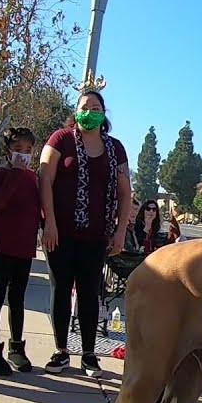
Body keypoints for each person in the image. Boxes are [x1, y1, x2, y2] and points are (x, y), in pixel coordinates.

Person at [38, 88, 131, 377]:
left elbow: (126, 193)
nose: (88, 112)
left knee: (91, 293)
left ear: (103, 114)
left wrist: (119, 232)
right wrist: (49, 222)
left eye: (94, 107)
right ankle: (61, 350)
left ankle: (89, 354)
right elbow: (44, 179)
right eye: (83, 107)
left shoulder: (115, 148)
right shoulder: (60, 139)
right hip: (60, 232)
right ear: (75, 112)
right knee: (61, 289)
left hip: (96, 236)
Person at [0, 126, 42, 375]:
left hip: (24, 249)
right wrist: (16, 174)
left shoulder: (34, 179)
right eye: (18, 150)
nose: (23, 155)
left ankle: (16, 347)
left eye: (28, 151)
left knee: (18, 299)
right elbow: (0, 201)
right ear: (8, 151)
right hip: (1, 247)